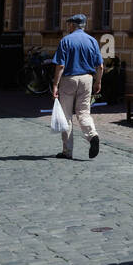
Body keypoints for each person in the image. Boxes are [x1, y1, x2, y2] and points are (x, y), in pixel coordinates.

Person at [50, 15, 103, 160]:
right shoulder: (92, 41)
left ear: (73, 25)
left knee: (66, 115)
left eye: (69, 24)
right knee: (84, 112)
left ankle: (67, 151)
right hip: (87, 79)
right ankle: (93, 136)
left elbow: (60, 65)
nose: (68, 27)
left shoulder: (66, 40)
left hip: (69, 79)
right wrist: (98, 82)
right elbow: (100, 66)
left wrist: (55, 85)